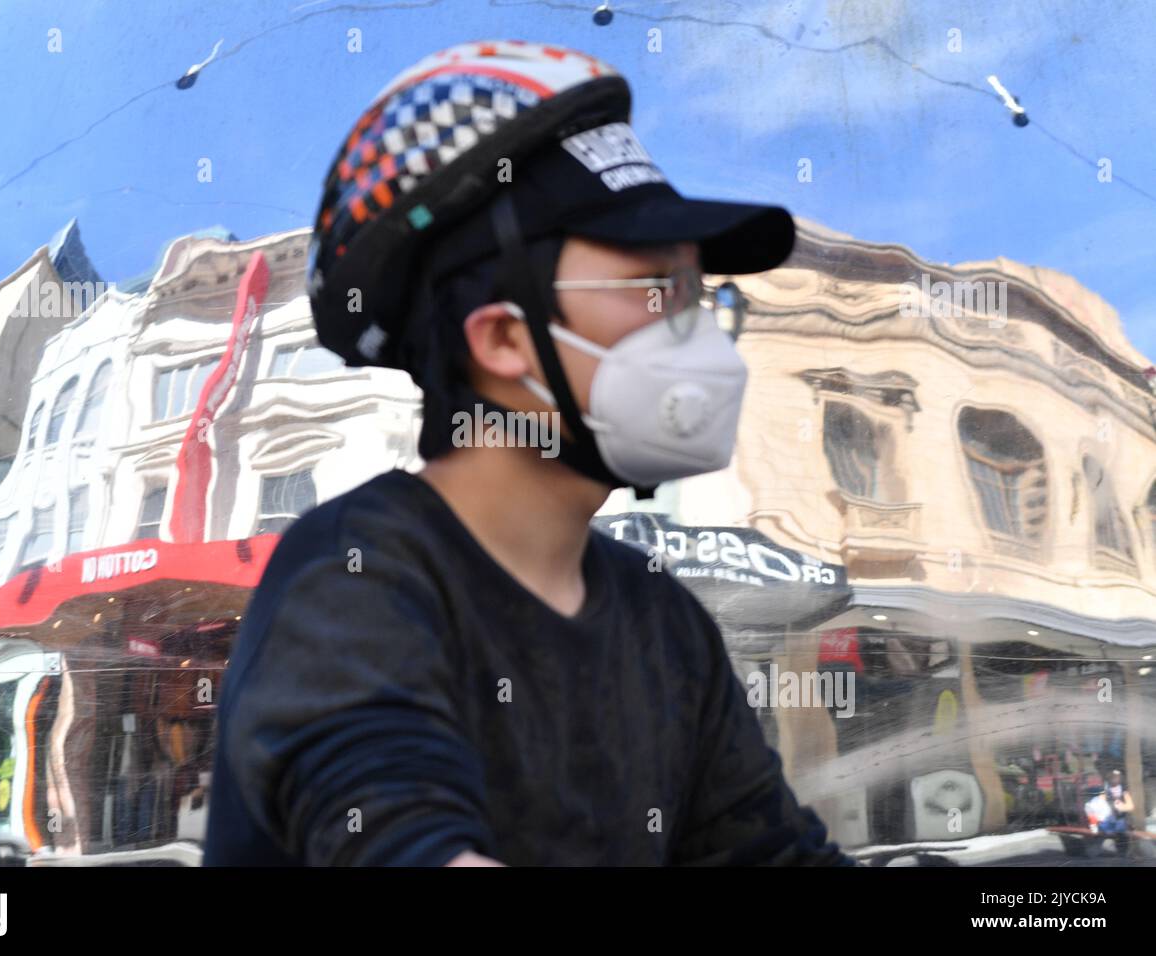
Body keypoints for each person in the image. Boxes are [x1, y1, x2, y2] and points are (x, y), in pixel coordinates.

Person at [204, 39, 854, 866]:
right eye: (661, 289)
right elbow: (387, 823)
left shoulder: (665, 624)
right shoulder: (352, 573)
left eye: (704, 294)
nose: (701, 332)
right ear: (506, 337)